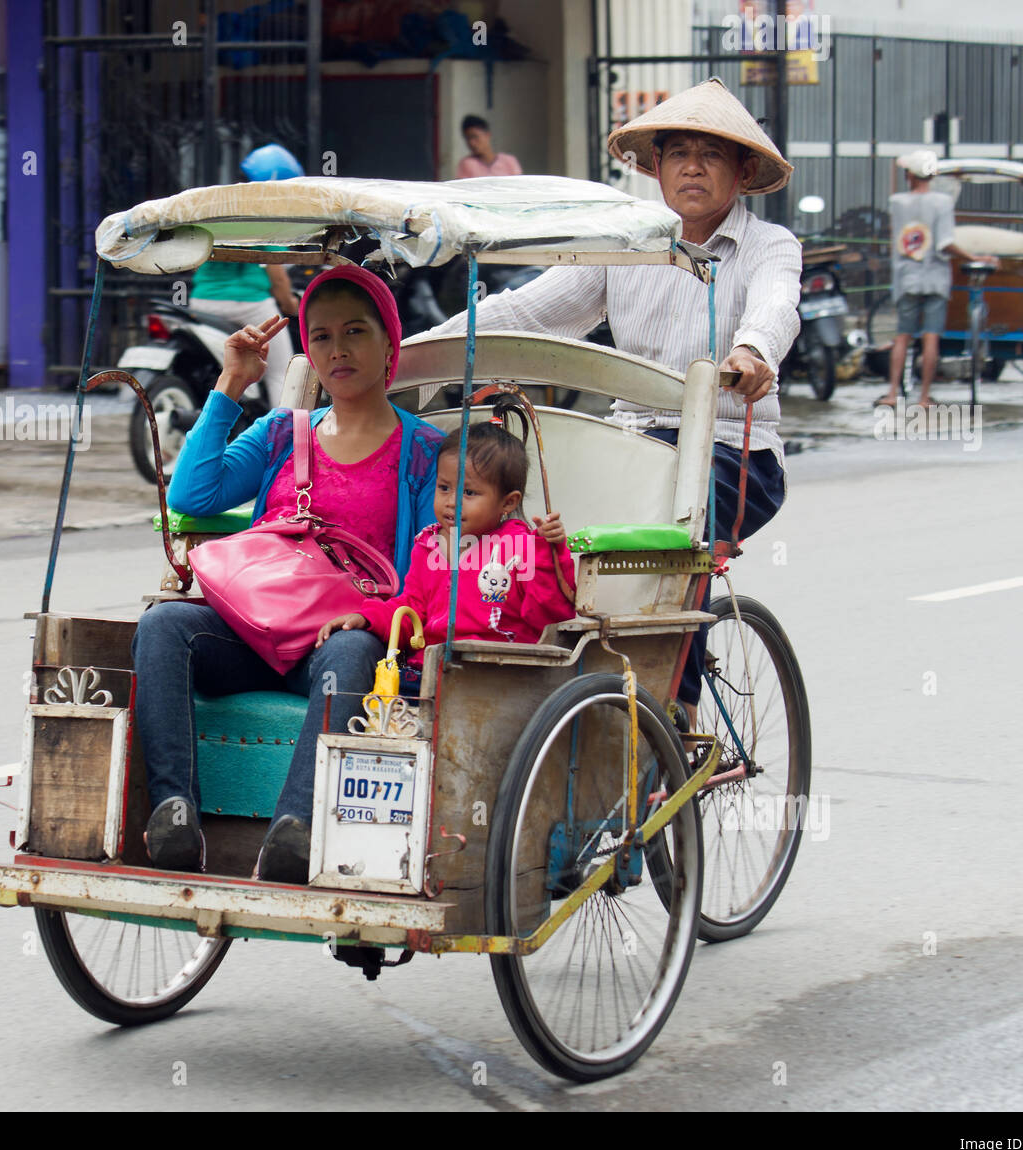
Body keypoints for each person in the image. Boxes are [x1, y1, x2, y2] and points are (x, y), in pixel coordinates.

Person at [418, 77, 800, 715]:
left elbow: (775, 305)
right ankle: (527, 682)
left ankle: (667, 715)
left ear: (742, 171)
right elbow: (528, 312)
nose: (693, 168)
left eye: (712, 154)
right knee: (529, 525)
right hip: (634, 445)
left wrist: (754, 352)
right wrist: (412, 354)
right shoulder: (624, 246)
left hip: (734, 452)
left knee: (667, 538)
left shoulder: (768, 246)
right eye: (679, 153)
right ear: (656, 167)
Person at [132, 265, 445, 882]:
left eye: (356, 332)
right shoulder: (282, 430)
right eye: (322, 337)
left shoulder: (424, 452)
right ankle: (173, 811)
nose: (338, 350)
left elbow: (428, 578)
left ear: (390, 346)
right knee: (164, 624)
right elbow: (193, 494)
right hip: (256, 632)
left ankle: (295, 828)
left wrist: (373, 618)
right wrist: (232, 382)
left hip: (344, 644)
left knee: (354, 647)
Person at [318, 399, 575, 665]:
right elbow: (412, 608)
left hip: (499, 672)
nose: (452, 501)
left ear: (508, 502)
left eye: (469, 492)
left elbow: (550, 616)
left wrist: (548, 551)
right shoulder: (429, 544)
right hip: (431, 670)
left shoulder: (521, 547)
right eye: (444, 488)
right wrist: (369, 618)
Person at [876, 148, 998, 410]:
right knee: (931, 338)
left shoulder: (897, 202)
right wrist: (974, 256)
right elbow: (945, 244)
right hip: (934, 277)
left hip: (906, 277)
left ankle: (893, 393)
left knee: (903, 336)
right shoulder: (942, 203)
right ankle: (923, 398)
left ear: (910, 174)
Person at [188, 144, 302, 405]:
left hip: (201, 302)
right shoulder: (263, 213)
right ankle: (286, 431)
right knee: (283, 370)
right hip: (247, 304)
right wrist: (290, 305)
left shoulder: (217, 205)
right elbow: (277, 274)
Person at [455, 114, 522, 178]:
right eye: (468, 138)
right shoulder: (467, 164)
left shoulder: (509, 161)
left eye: (475, 137)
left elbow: (519, 186)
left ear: (487, 135)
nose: (471, 143)